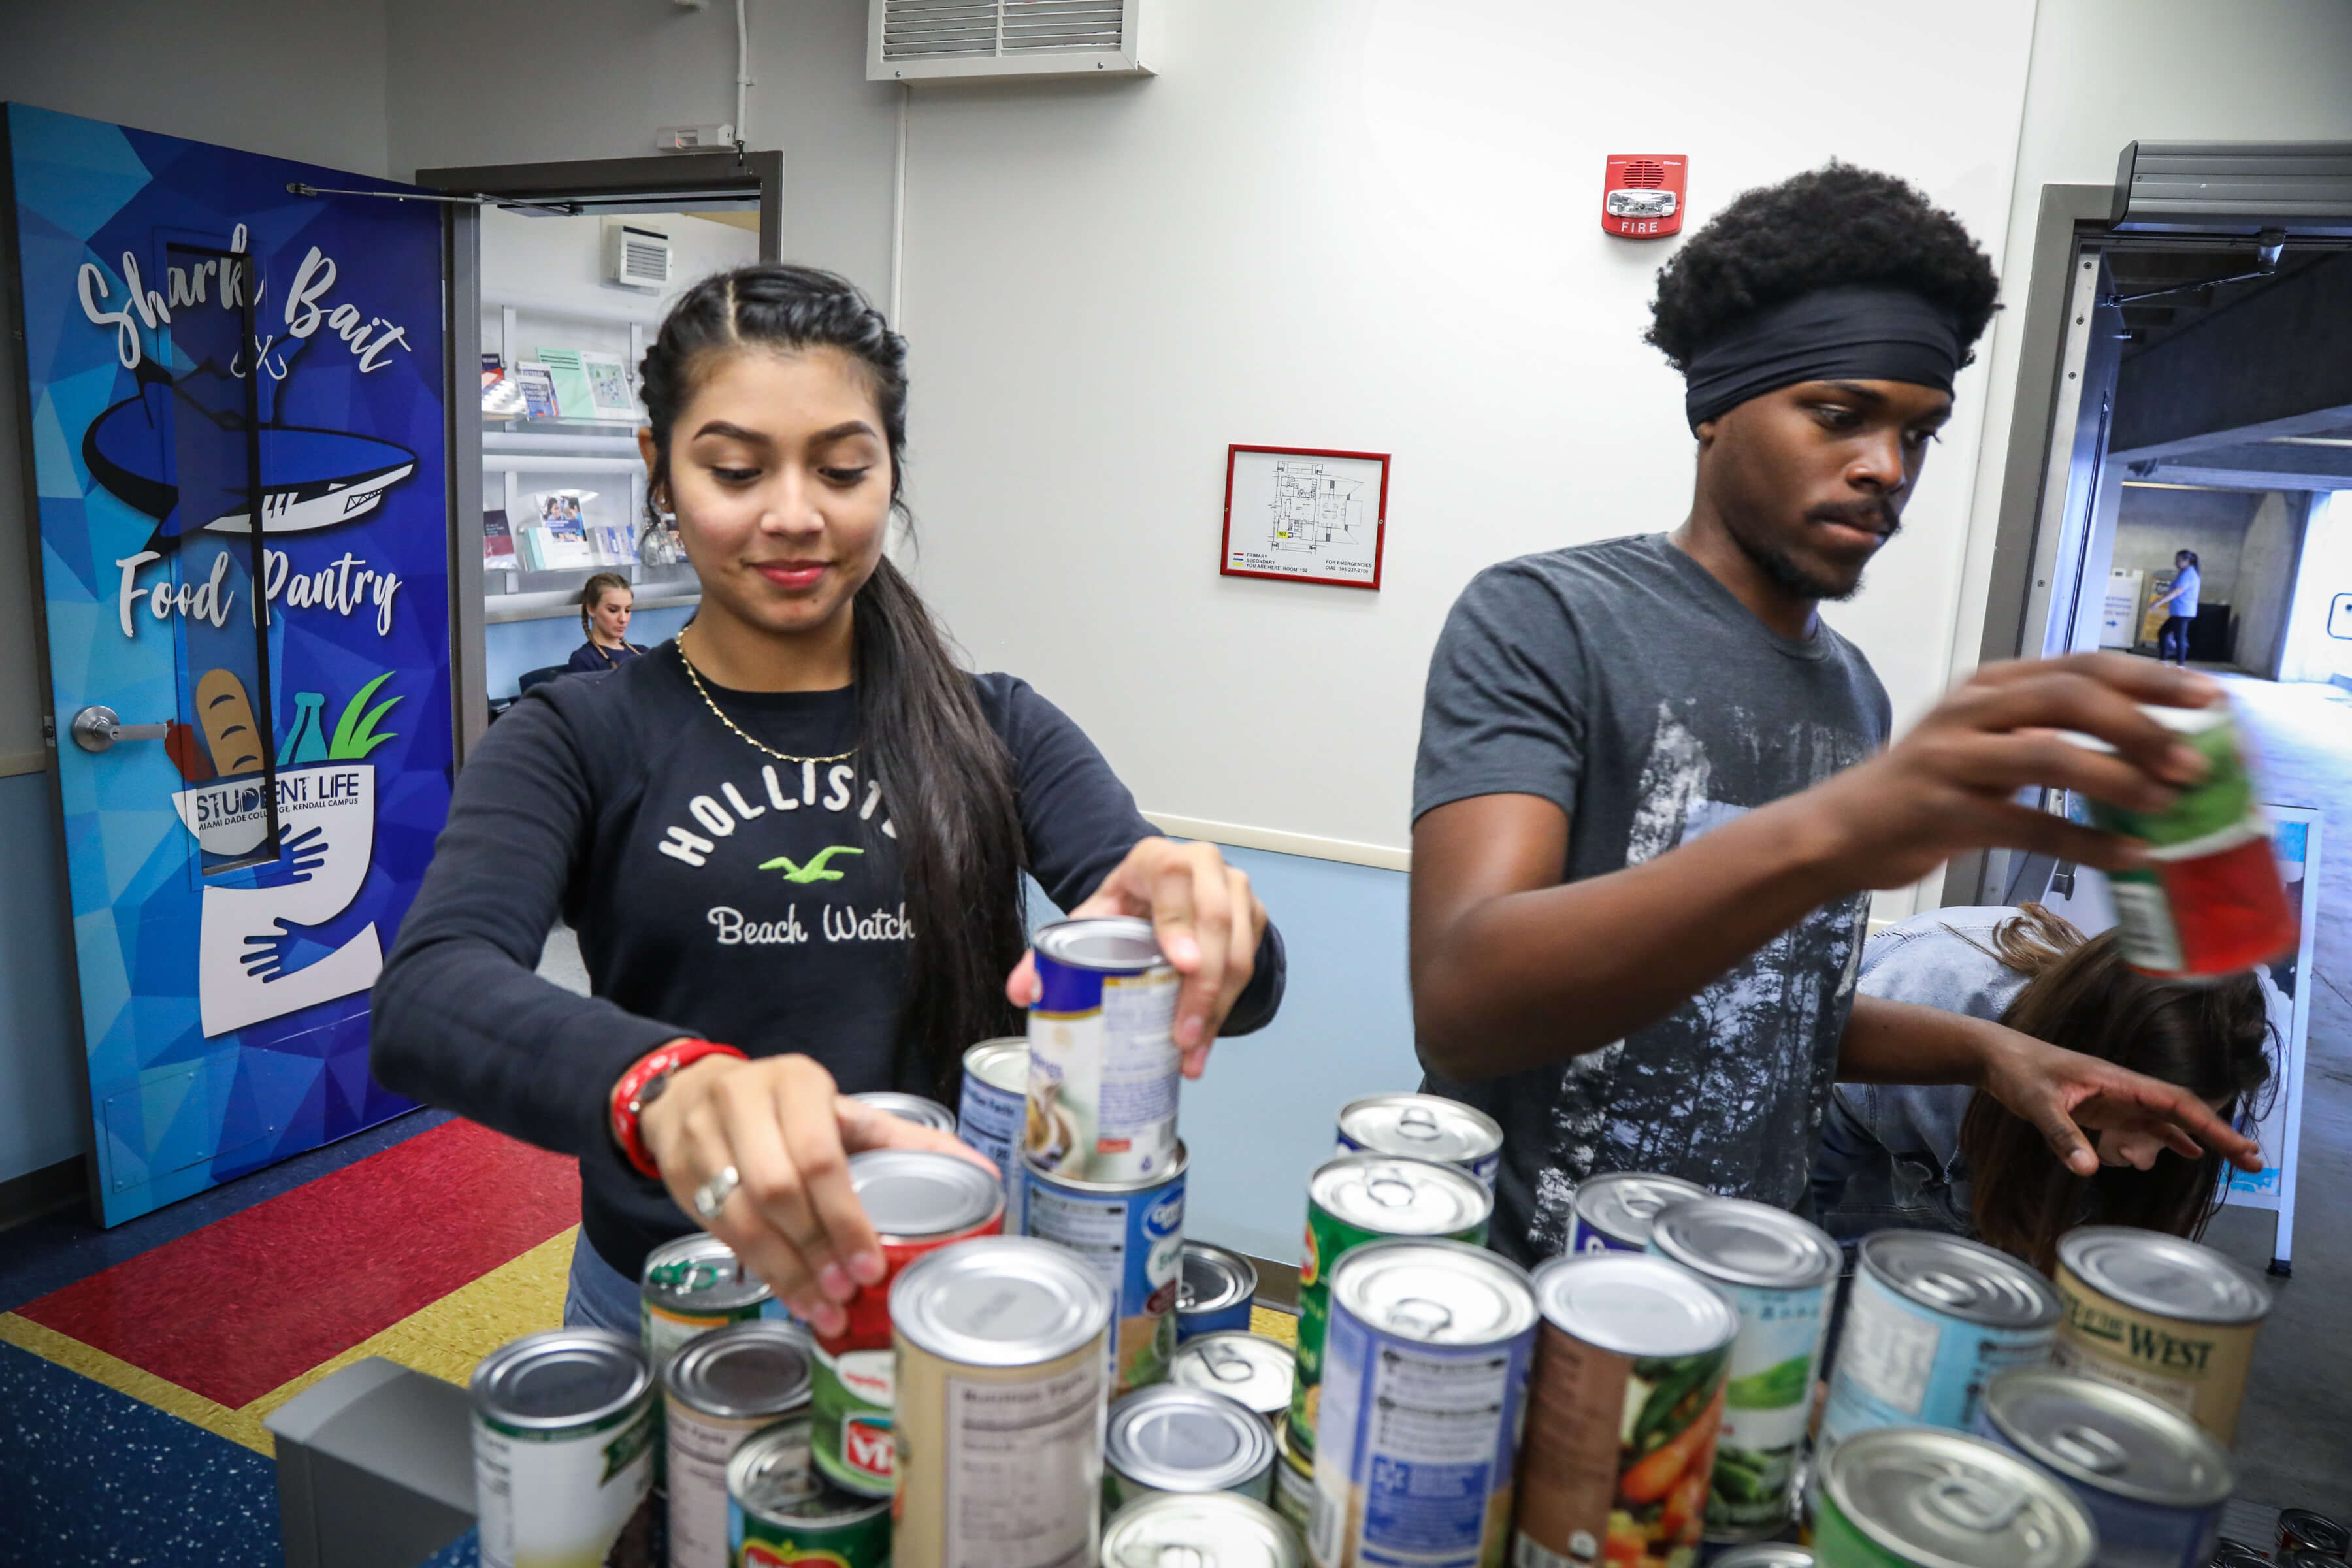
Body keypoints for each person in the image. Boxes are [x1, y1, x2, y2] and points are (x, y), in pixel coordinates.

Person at [372, 265, 1284, 1337]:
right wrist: (665, 1086)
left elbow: (1249, 986)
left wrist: (1204, 919)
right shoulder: (575, 735)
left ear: (889, 471)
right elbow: (429, 996)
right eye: (735, 469)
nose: (794, 515)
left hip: (942, 1285)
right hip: (674, 1294)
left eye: (843, 468)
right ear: (659, 473)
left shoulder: (998, 729)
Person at [1407, 165, 2261, 1264]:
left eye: (1919, 434)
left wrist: (1994, 1055)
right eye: (1838, 416)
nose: (1884, 468)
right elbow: (1465, 1004)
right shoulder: (1548, 619)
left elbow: (1772, 1010)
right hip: (1521, 1281)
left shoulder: (1852, 691)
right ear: (1714, 409)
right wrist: (1835, 831)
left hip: (1740, 1283)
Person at [1810, 903, 2274, 1271]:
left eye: (2183, 1131)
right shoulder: (1919, 995)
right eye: (2141, 1121)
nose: (2145, 1158)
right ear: (2085, 1051)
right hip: (1847, 1240)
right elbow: (1788, 1213)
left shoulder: (2169, 1100)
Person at [567, 571, 647, 672]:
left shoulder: (642, 652)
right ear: (591, 609)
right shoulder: (584, 660)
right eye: (613, 610)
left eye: (627, 610)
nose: (623, 619)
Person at [2150, 549, 2203, 667]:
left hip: (2183, 611)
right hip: (2179, 611)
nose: (2176, 562)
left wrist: (2158, 603)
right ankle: (2163, 660)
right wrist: (2163, 595)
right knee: (2164, 633)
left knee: (2179, 638)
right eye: (2176, 560)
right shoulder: (2183, 573)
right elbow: (2174, 590)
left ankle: (2180, 665)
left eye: (2179, 560)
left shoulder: (2189, 574)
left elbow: (2177, 592)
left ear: (2187, 561)